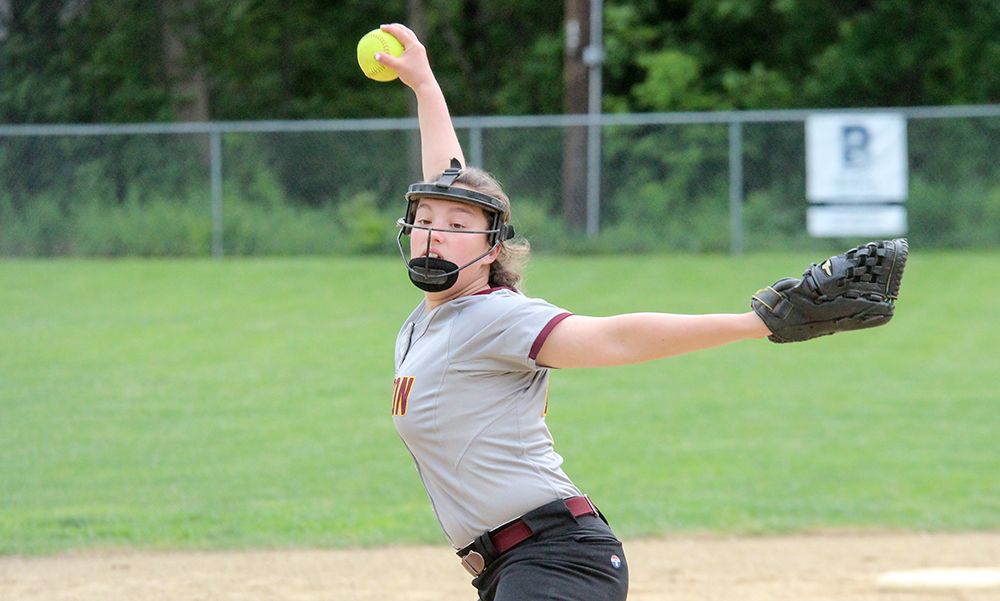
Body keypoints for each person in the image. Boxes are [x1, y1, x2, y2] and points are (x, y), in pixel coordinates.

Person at [376, 23, 771, 601]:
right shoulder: (427, 320)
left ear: (492, 251)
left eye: (458, 228)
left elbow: (613, 339)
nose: (436, 235)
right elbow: (451, 182)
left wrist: (753, 322)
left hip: (558, 559)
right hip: (513, 568)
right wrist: (425, 84)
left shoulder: (495, 318)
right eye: (427, 221)